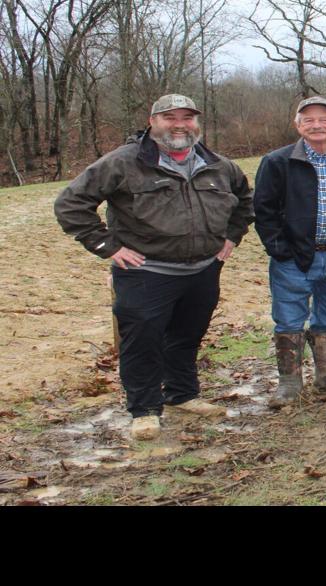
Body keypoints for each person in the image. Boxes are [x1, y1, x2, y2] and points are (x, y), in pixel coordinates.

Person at [54, 93, 254, 441]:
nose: (179, 125)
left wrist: (232, 235)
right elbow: (71, 204)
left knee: (186, 337)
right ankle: (144, 410)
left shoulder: (219, 165)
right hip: (147, 272)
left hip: (203, 270)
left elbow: (245, 200)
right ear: (153, 121)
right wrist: (107, 246)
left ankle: (182, 395)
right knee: (142, 341)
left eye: (187, 118)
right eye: (169, 117)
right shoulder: (123, 162)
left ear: (197, 123)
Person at [252, 95, 326, 408]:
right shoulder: (277, 162)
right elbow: (263, 210)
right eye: (309, 119)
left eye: (324, 119)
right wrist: (280, 249)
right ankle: (290, 383)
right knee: (289, 318)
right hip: (294, 258)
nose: (316, 125)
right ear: (297, 125)